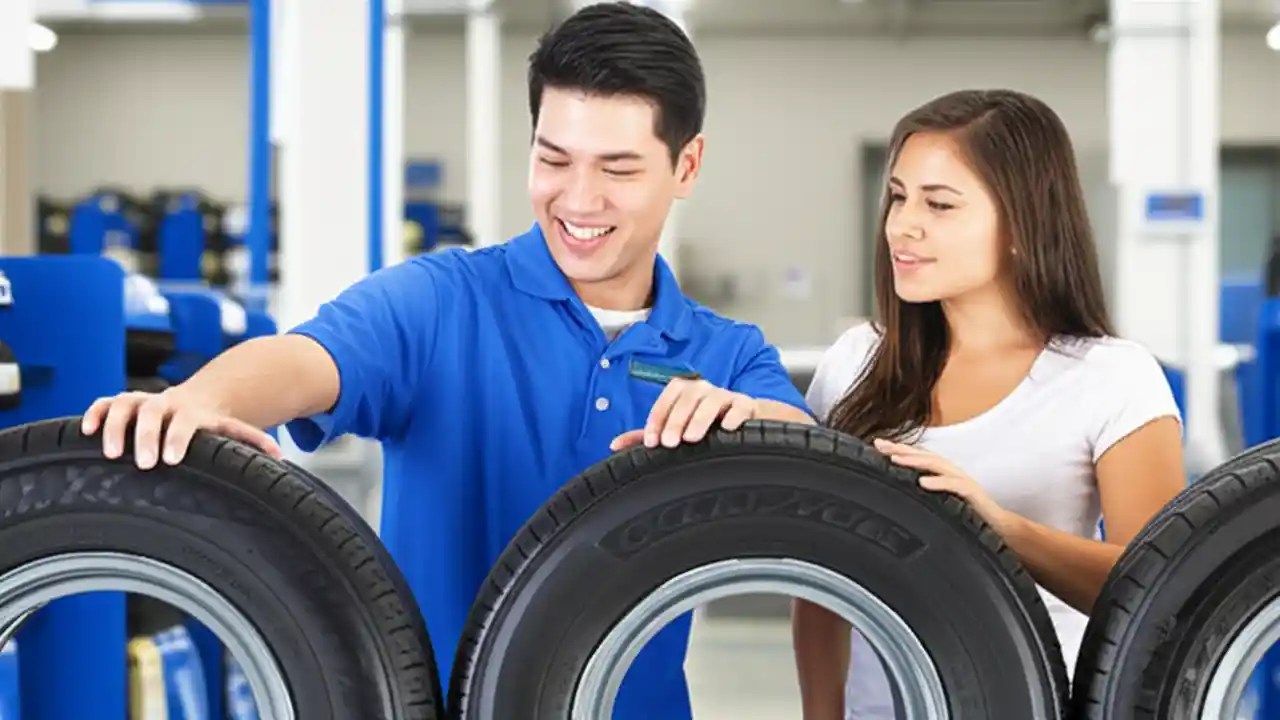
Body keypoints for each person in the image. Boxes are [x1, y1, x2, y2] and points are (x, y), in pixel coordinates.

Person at [81, 4, 813, 718]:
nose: (578, 199)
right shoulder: (441, 302)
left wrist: (751, 420)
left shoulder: (725, 355)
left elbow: (810, 464)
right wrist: (206, 399)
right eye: (554, 158)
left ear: (687, 164)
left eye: (618, 168)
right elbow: (306, 358)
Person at [791, 89, 1187, 719]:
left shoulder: (1113, 378)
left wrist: (1000, 530)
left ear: (1022, 226)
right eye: (898, 196)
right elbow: (818, 576)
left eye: (939, 204)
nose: (903, 225)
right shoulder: (855, 362)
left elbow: (1164, 595)